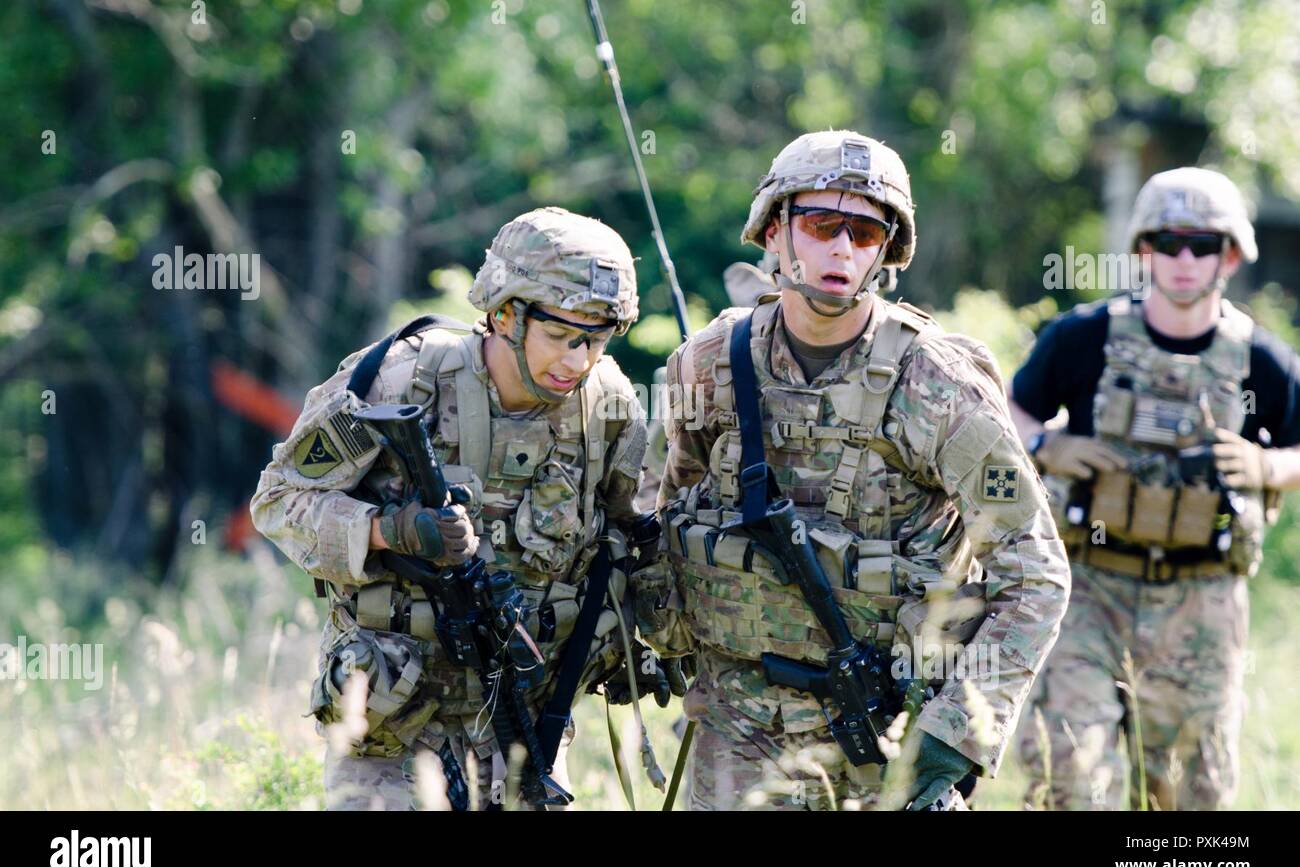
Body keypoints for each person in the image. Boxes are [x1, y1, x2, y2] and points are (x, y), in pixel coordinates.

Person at [653, 130, 1071, 810]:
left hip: (889, 731)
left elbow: (1035, 572)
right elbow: (667, 513)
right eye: (821, 224)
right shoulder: (708, 365)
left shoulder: (936, 385)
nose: (842, 248)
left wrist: (953, 734)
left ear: (887, 252)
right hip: (738, 729)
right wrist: (670, 653)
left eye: (866, 232)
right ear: (773, 231)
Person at [251, 206, 672, 809]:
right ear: (504, 313)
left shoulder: (609, 409)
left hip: (528, 730)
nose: (578, 361)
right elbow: (280, 501)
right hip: (392, 728)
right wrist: (388, 530)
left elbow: (631, 534)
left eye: (596, 340)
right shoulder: (399, 383)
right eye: (560, 336)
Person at [1011, 167, 1300, 810]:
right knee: (1071, 778)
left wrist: (1265, 467)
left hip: (1200, 602)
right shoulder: (1081, 338)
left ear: (1229, 255)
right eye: (1169, 243)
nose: (1185, 259)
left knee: (1185, 801)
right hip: (1089, 588)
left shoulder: (1263, 361)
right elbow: (1012, 407)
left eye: (1203, 244)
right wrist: (1047, 446)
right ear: (1145, 250)